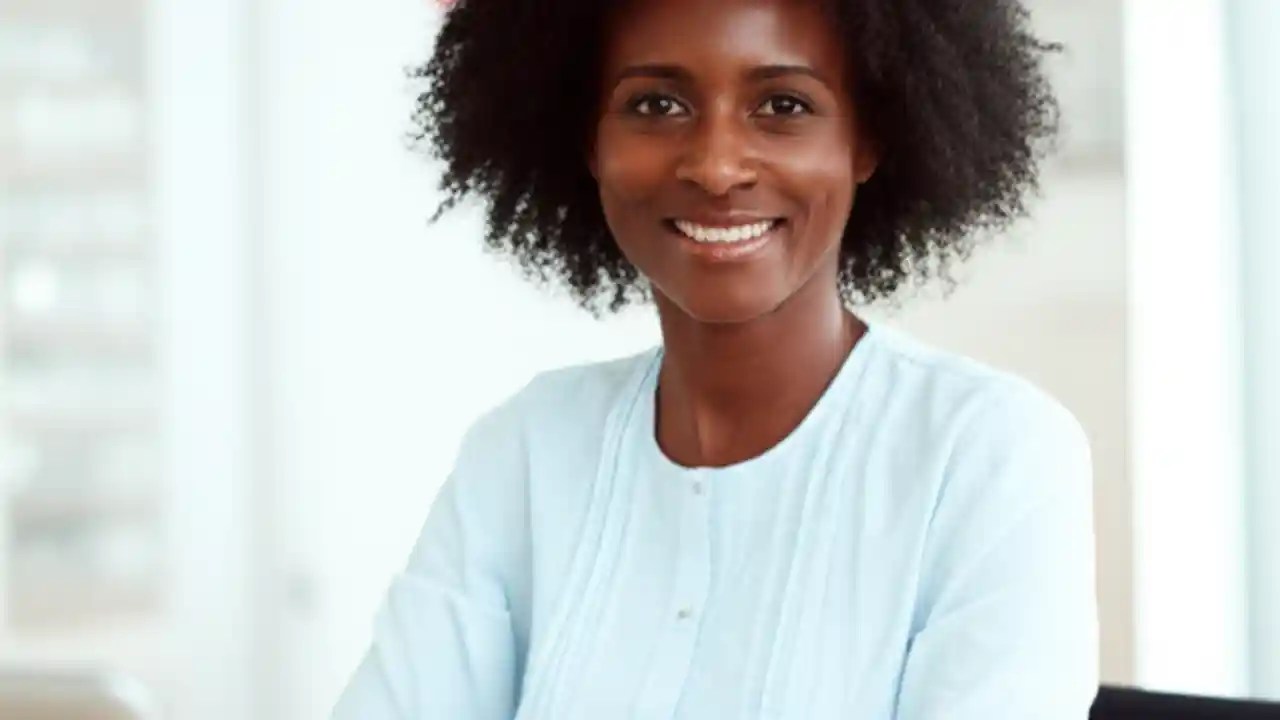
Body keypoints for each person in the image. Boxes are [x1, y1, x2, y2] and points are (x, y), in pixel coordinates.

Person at [332, 0, 1097, 717]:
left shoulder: (988, 454)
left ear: (867, 139)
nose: (717, 166)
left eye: (783, 106)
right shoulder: (527, 449)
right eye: (657, 105)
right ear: (588, 142)